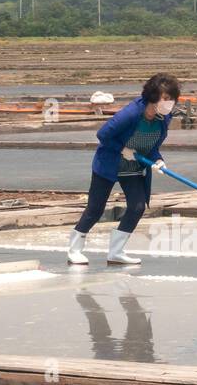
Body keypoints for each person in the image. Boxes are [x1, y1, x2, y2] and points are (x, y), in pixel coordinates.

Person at [68, 73, 179, 266]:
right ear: (153, 97)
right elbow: (103, 134)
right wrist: (122, 149)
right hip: (110, 163)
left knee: (137, 207)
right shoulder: (131, 113)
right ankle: (74, 249)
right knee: (96, 208)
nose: (169, 103)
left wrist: (158, 160)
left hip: (133, 166)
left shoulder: (164, 118)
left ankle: (116, 252)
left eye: (172, 99)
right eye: (166, 99)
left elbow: (153, 145)